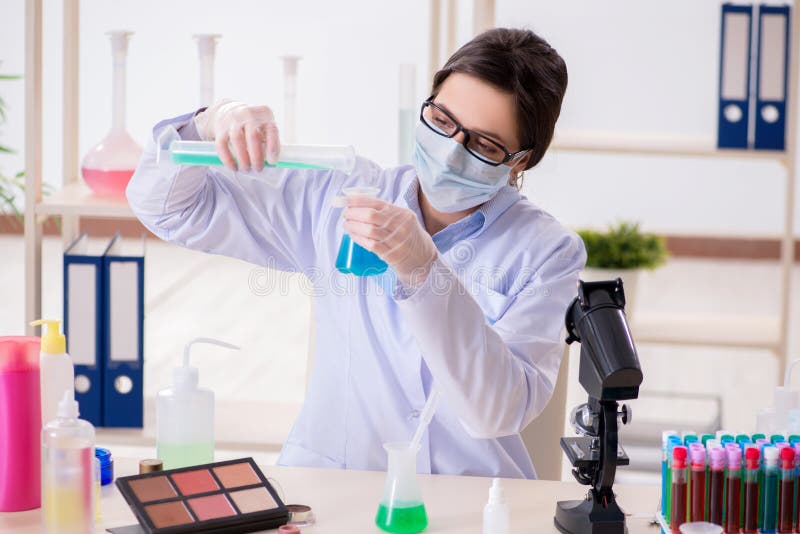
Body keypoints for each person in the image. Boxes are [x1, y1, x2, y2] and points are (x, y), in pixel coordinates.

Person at [127, 27, 586, 479]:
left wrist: (423, 269)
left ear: (521, 160)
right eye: (442, 121)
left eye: (485, 145)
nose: (450, 153)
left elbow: (495, 411)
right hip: (336, 480)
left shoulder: (548, 252)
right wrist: (209, 123)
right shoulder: (344, 193)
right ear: (427, 103)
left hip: (468, 495)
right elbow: (167, 209)